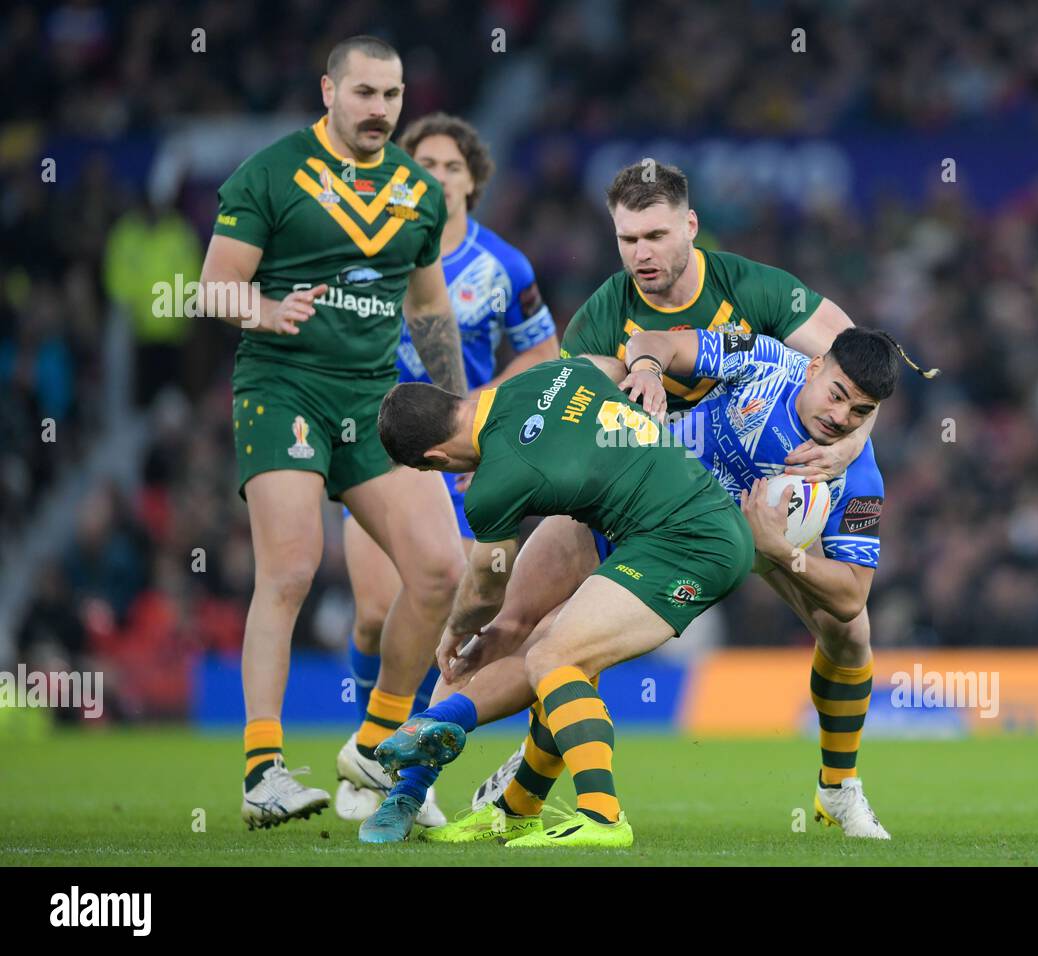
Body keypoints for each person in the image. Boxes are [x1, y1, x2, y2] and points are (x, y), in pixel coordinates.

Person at [415, 327, 937, 846]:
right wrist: (648, 369)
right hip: (629, 497)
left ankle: (839, 787)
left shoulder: (857, 478)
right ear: (815, 365)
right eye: (838, 395)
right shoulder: (761, 362)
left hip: (707, 547)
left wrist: (784, 553)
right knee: (521, 628)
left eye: (859, 413)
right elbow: (658, 342)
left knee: (849, 633)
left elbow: (851, 594)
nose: (840, 417)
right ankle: (424, 790)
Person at [199, 36, 467, 829]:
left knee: (440, 569)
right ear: (328, 91)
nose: (380, 109)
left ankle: (377, 744)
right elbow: (213, 289)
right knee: (290, 570)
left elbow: (427, 307)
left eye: (392, 95)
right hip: (280, 389)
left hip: (373, 403)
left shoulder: (418, 192)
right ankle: (262, 773)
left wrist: (456, 414)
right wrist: (266, 312)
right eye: (365, 93)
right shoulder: (271, 174)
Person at [356, 354, 755, 846]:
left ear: (435, 461)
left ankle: (602, 817)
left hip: (690, 543)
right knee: (515, 637)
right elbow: (610, 367)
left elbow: (484, 589)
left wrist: (456, 629)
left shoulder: (494, 486)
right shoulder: (548, 375)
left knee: (552, 655)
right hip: (645, 522)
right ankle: (487, 805)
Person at [334, 112, 558, 824]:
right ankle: (371, 742)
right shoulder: (371, 257)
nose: (437, 176)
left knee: (452, 613)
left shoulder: (505, 266)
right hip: (377, 452)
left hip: (461, 459)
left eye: (450, 166)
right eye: (422, 164)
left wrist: (480, 411)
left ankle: (402, 767)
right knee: (372, 614)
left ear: (473, 181)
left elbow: (543, 352)